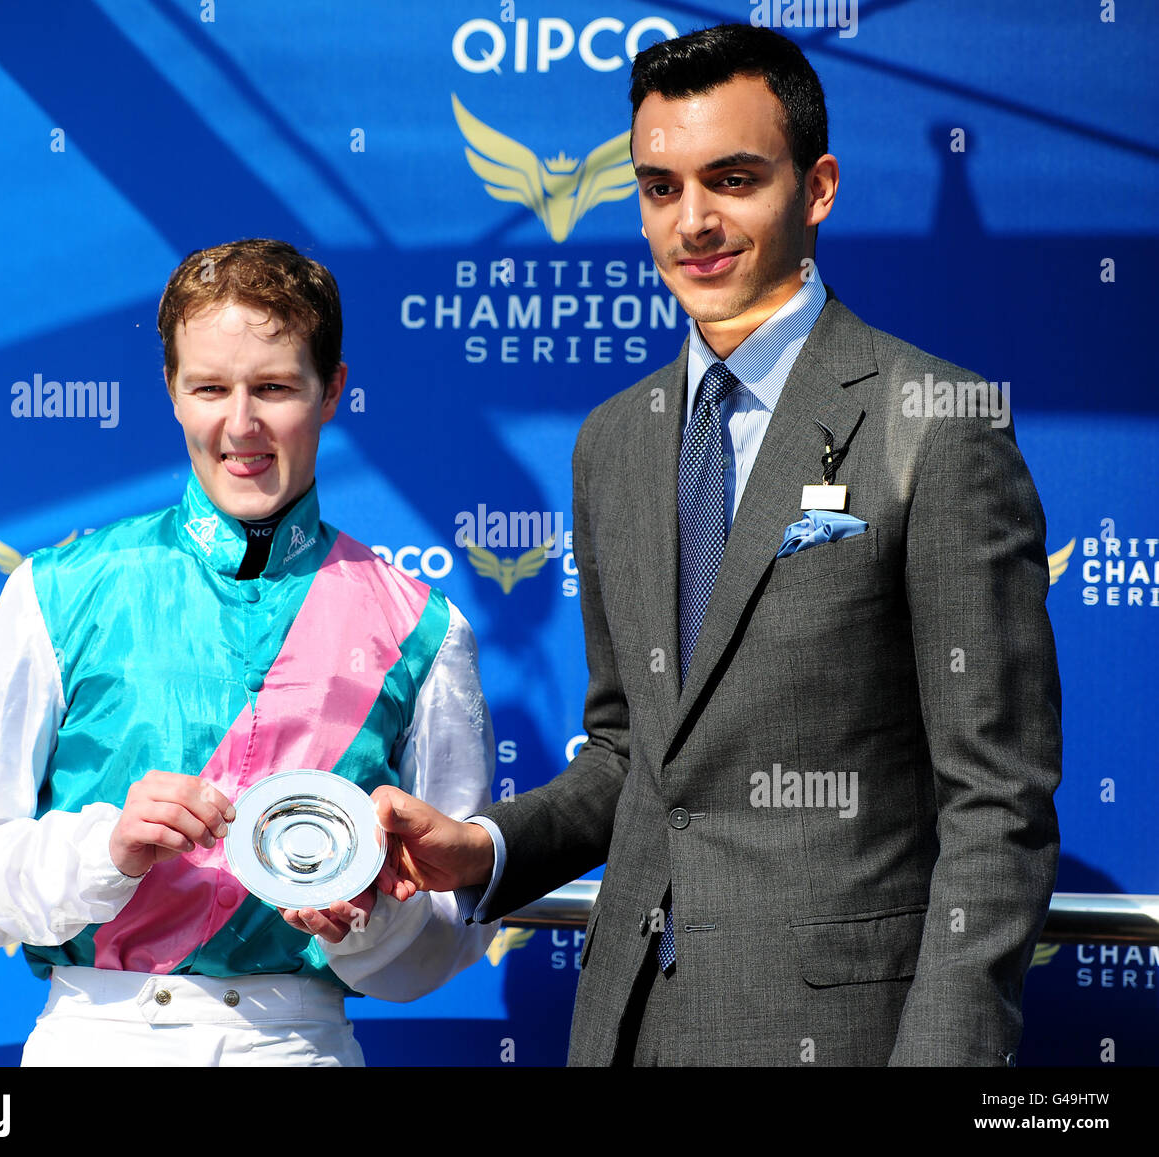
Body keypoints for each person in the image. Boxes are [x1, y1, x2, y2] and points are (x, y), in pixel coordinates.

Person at [374, 24, 1061, 1066]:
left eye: (732, 179)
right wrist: (483, 845)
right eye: (658, 187)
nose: (691, 222)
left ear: (817, 187)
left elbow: (996, 799)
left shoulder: (935, 419)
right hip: (623, 1025)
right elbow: (633, 756)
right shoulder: (613, 439)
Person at [0, 238, 498, 1066]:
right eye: (211, 388)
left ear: (332, 391)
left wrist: (368, 922)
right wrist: (104, 848)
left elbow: (451, 932)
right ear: (173, 394)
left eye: (275, 388)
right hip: (93, 1038)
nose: (241, 424)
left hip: (300, 1042)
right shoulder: (59, 589)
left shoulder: (422, 627)